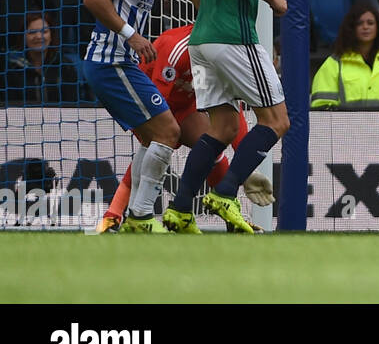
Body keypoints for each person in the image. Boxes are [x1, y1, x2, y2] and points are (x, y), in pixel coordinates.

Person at [163, 0, 290, 235]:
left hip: (201, 40)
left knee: (220, 128)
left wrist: (206, 14)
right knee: (277, 119)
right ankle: (226, 191)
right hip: (234, 38)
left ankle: (181, 207)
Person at [93, 22, 273, 233]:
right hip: (149, 101)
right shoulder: (176, 46)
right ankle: (114, 216)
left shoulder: (226, 55)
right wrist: (165, 133)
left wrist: (246, 169)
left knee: (214, 142)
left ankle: (229, 214)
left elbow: (232, 114)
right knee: (157, 143)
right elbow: (157, 100)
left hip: (186, 104)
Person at [80, 0, 185, 233]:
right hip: (110, 64)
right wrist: (132, 35)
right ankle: (140, 215)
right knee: (169, 132)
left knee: (153, 137)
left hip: (121, 64)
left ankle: (131, 217)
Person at [311, 4, 379, 108]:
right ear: (351, 28)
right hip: (345, 124)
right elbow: (322, 108)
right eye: (359, 23)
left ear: (378, 28)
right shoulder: (334, 64)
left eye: (370, 23)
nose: (365, 27)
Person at [4, 12, 83, 105]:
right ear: (23, 36)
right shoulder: (11, 66)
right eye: (32, 32)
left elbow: (72, 103)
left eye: (44, 31)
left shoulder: (65, 66)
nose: (38, 36)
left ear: (51, 35)